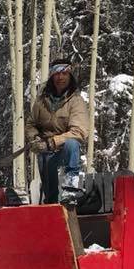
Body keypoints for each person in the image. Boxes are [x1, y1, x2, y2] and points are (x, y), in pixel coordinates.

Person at [26, 59, 90, 204]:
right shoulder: (42, 100)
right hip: (45, 151)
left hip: (64, 148)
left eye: (64, 73)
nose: (60, 77)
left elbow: (78, 132)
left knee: (72, 144)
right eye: (57, 74)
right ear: (52, 76)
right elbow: (31, 123)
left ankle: (71, 189)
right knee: (50, 193)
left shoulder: (76, 101)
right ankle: (51, 202)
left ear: (70, 76)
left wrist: (52, 142)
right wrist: (35, 138)